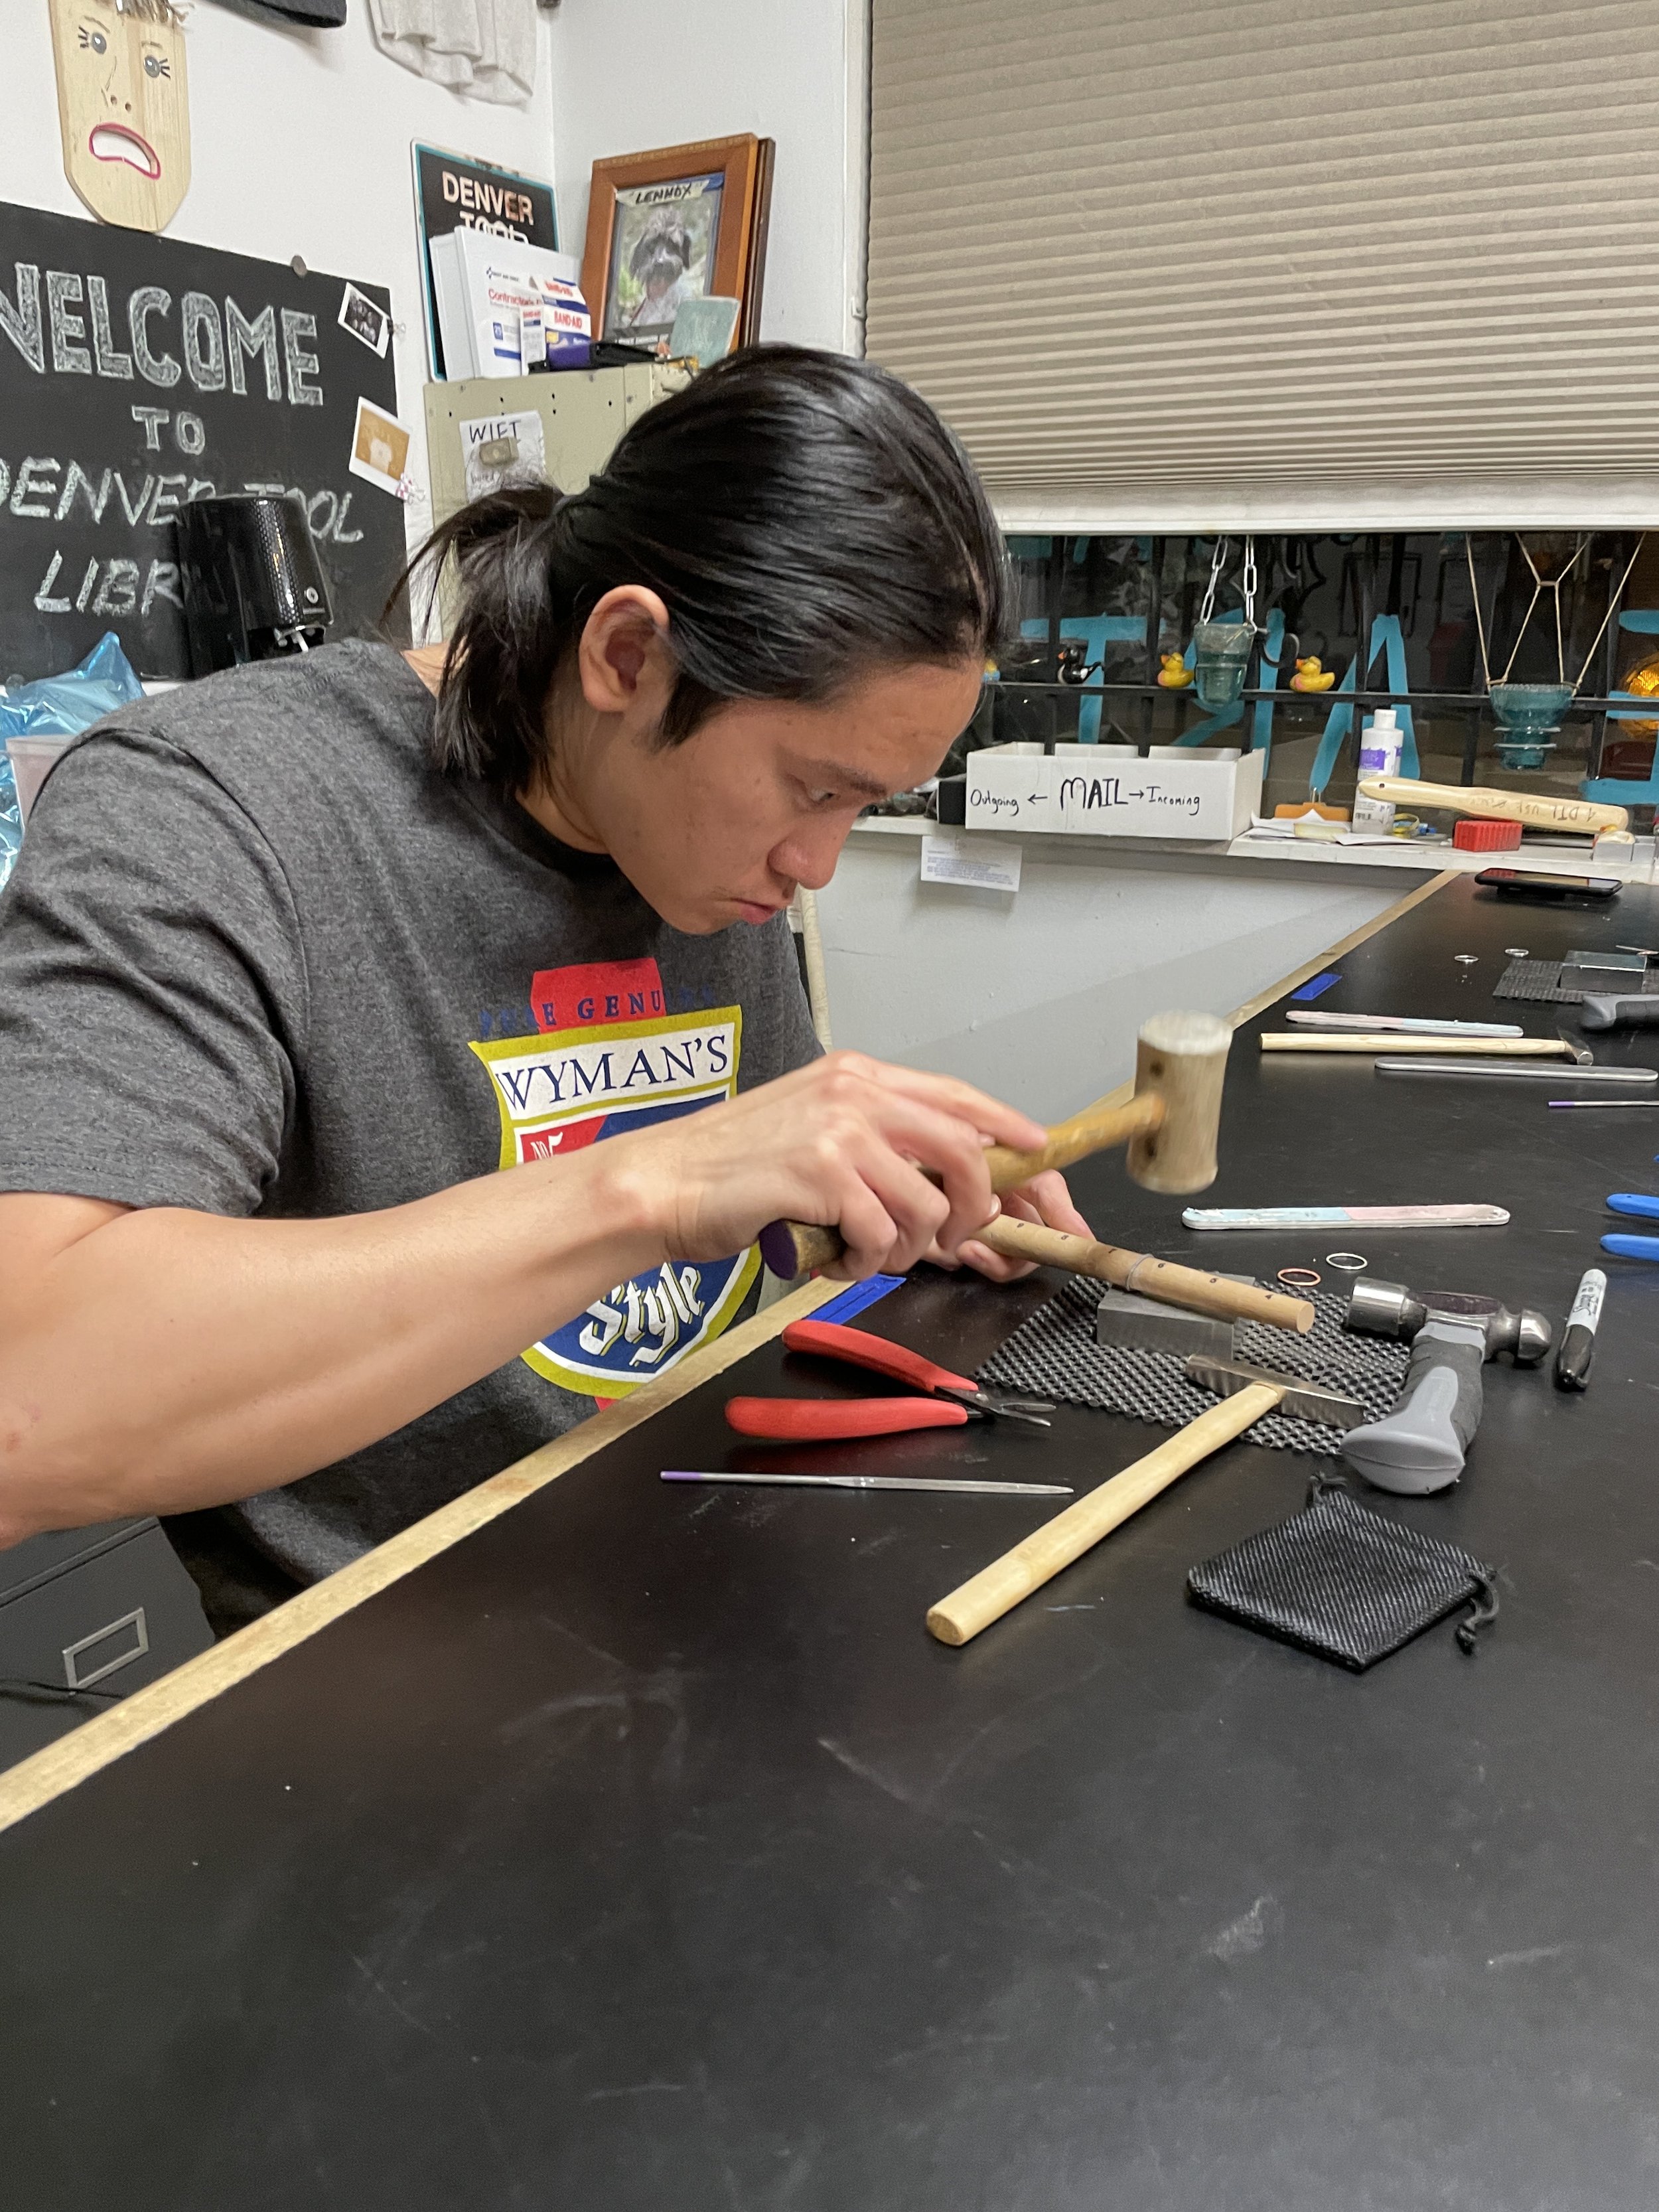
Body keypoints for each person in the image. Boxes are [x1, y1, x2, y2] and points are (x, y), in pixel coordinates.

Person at [0, 346, 1088, 1632]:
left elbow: (738, 1230)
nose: (817, 866)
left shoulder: (694, 839)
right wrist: (654, 1184)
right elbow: (28, 1404)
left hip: (712, 1563)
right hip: (397, 1671)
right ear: (626, 655)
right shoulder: (209, 809)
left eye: (867, 804)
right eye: (813, 788)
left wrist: (877, 1195)